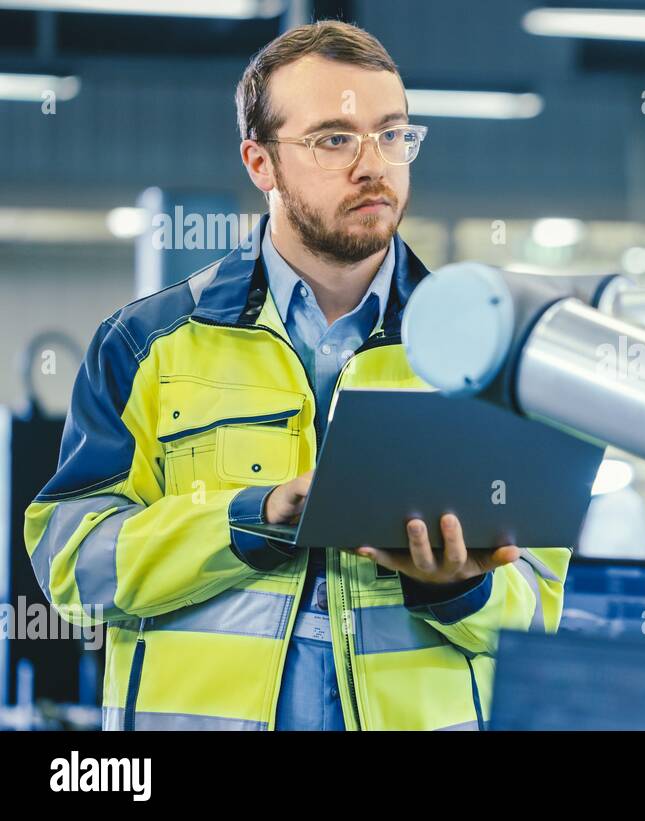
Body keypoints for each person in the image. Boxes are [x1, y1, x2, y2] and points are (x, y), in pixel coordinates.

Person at [24, 20, 567, 731]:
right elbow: (73, 567)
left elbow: (542, 606)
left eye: (393, 134)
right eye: (335, 139)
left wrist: (460, 587)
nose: (374, 164)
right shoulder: (146, 345)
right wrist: (255, 517)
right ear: (260, 162)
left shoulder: (488, 352)